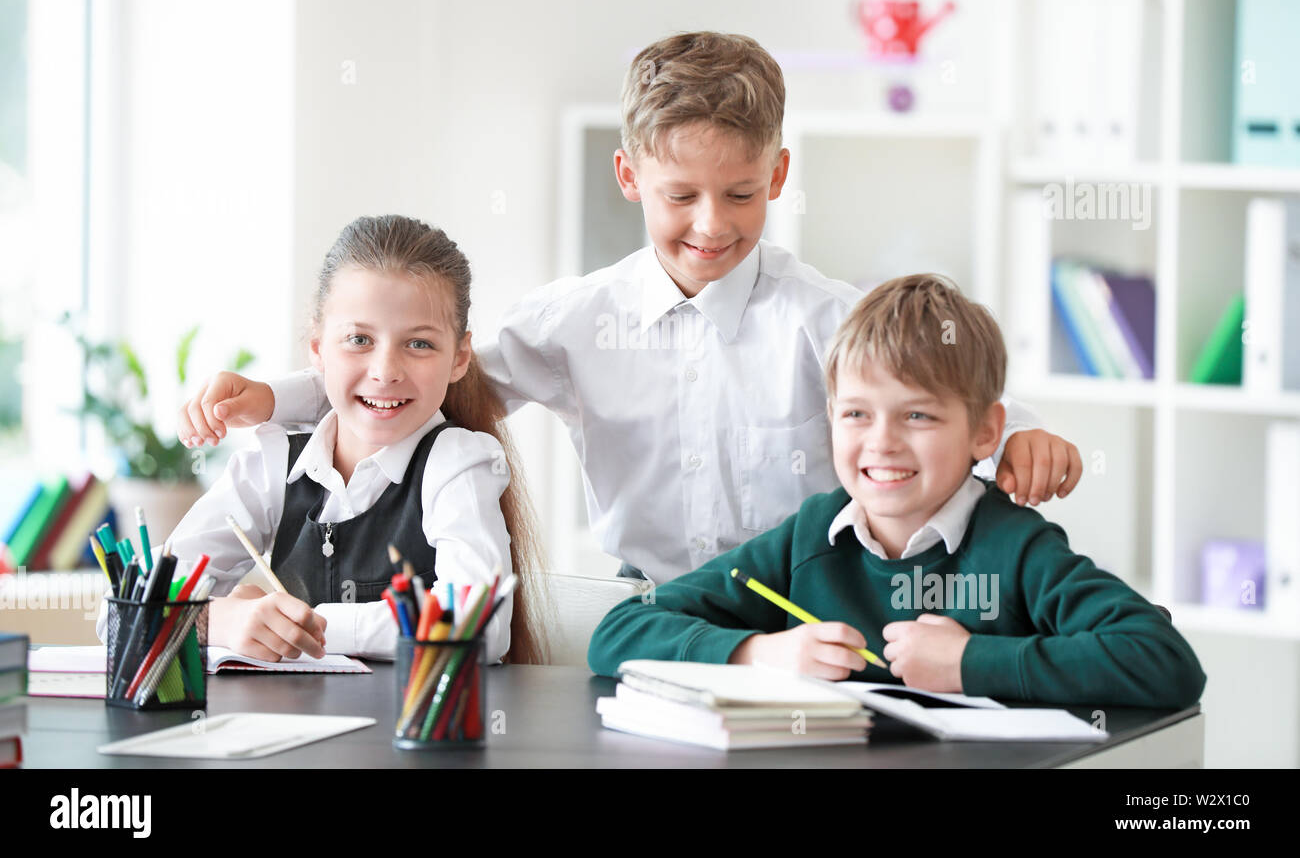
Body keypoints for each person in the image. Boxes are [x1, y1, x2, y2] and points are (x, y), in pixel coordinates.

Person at [175, 32, 1082, 586]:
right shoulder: (578, 320)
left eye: (738, 194)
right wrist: (278, 400)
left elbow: (936, 386)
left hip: (808, 598)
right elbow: (426, 375)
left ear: (777, 175)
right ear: (629, 178)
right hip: (645, 601)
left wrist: (1021, 434)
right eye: (679, 195)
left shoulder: (821, 317)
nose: (710, 225)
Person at [587, 274, 1206, 709]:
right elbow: (618, 634)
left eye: (917, 417)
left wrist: (971, 664)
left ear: (985, 431)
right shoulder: (809, 538)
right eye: (856, 415)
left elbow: (1164, 661)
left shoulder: (1016, 549)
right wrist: (761, 654)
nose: (881, 443)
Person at [98, 216, 547, 662]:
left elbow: (478, 625)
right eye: (358, 339)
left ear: (459, 357)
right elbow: (117, 614)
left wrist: (312, 624)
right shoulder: (272, 463)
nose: (385, 370)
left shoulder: (457, 463)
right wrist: (221, 622)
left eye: (419, 344)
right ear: (317, 348)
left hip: (408, 730)